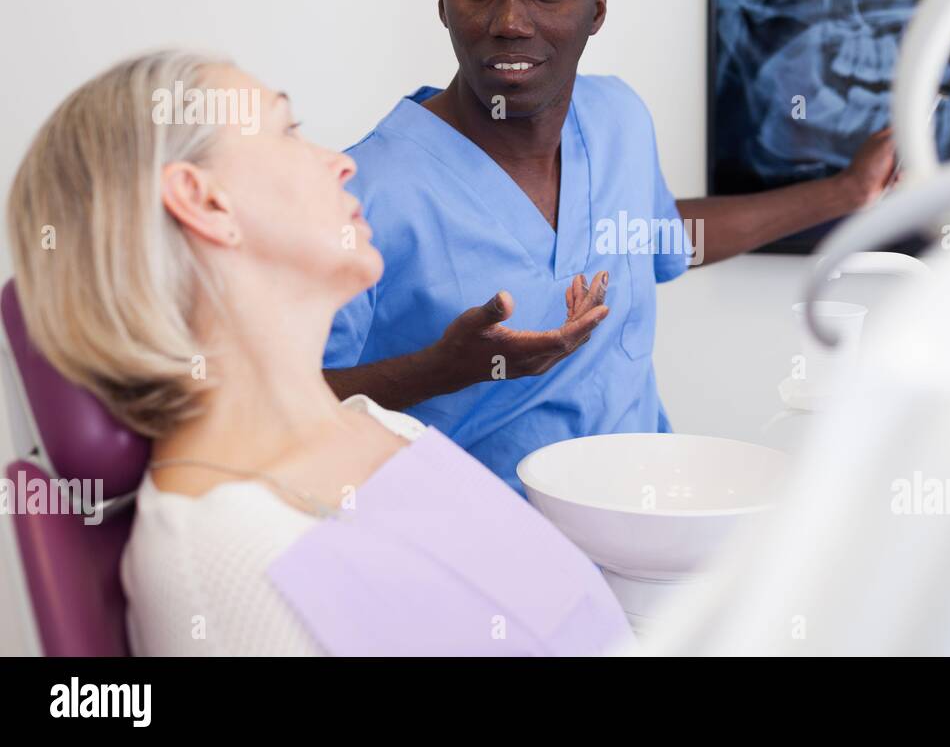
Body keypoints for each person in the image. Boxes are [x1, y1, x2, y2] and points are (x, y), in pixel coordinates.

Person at [5, 51, 631, 655]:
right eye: (289, 131)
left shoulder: (376, 425)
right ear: (204, 201)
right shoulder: (221, 554)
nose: (340, 163)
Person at [323, 0, 899, 491]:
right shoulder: (362, 193)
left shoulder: (617, 117)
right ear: (443, 1)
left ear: (596, 8)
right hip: (475, 551)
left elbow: (661, 236)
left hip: (642, 518)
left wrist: (847, 193)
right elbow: (276, 406)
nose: (510, 21)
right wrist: (443, 369)